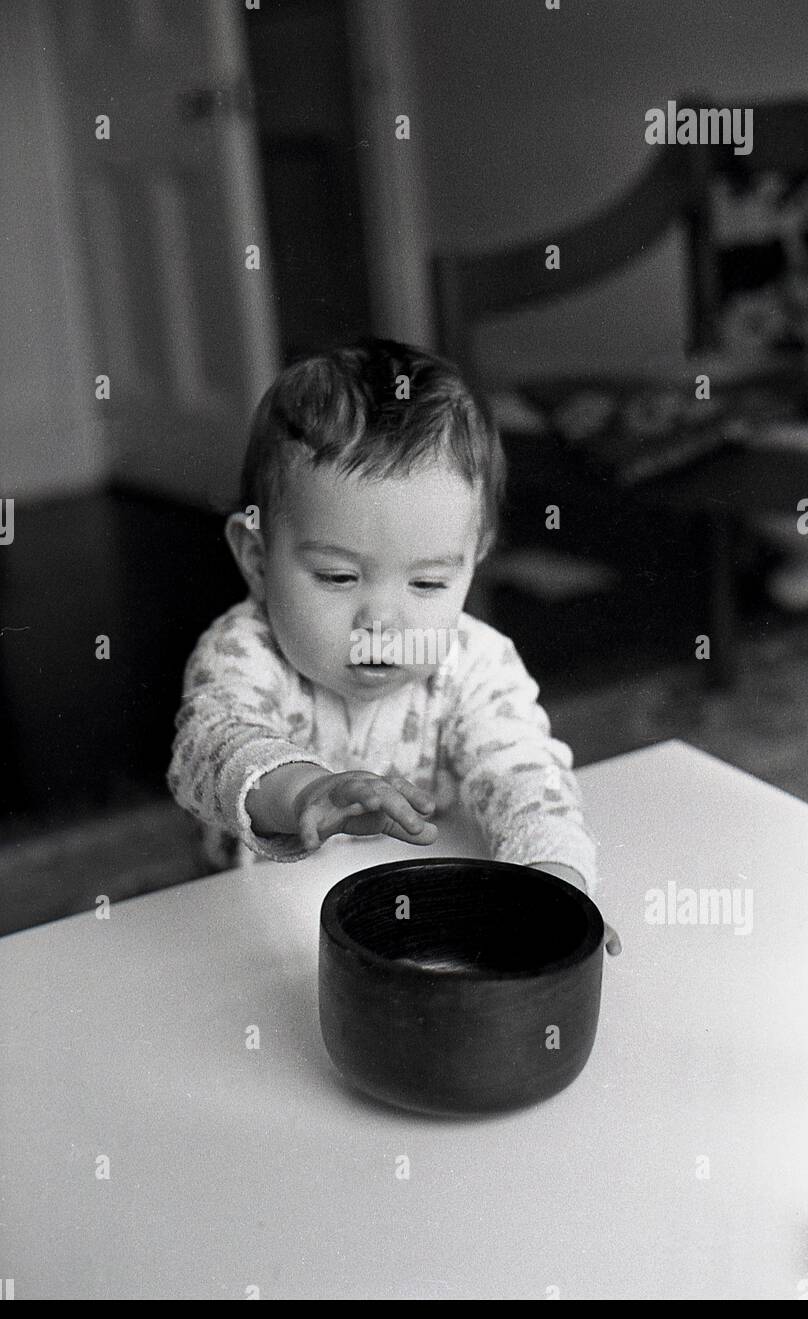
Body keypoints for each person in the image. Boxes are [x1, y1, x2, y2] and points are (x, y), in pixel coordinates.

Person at [167, 338, 620, 952]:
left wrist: (554, 885)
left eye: (429, 582)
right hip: (255, 927)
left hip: (427, 918)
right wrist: (305, 792)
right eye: (338, 577)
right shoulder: (243, 651)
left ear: (473, 561)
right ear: (256, 557)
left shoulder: (475, 664)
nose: (382, 624)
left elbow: (526, 779)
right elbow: (208, 747)